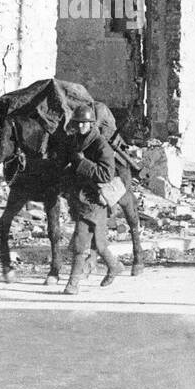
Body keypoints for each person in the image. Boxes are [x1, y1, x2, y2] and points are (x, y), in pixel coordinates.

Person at [55, 104, 123, 294]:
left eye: (85, 123)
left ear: (92, 123)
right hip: (81, 199)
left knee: (79, 242)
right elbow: (70, 165)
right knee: (100, 245)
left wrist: (81, 162)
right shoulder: (76, 141)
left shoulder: (100, 144)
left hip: (95, 201)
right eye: (78, 123)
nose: (81, 126)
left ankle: (73, 284)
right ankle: (114, 266)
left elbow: (106, 174)